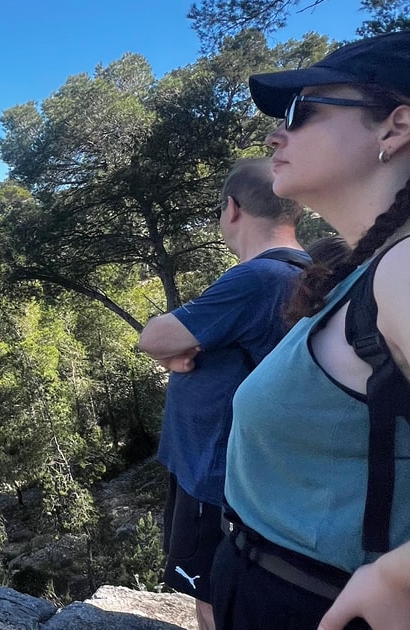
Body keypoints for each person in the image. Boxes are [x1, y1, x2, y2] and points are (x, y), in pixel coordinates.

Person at [211, 31, 410, 630]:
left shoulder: (404, 268)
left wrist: (398, 577)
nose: (276, 134)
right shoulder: (367, 270)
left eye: (302, 111)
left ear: (395, 128)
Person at [138, 158, 308, 630]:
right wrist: (180, 353)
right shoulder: (305, 270)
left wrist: (173, 352)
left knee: (213, 598)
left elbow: (155, 337)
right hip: (254, 470)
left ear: (231, 209)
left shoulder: (258, 277)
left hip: (213, 475)